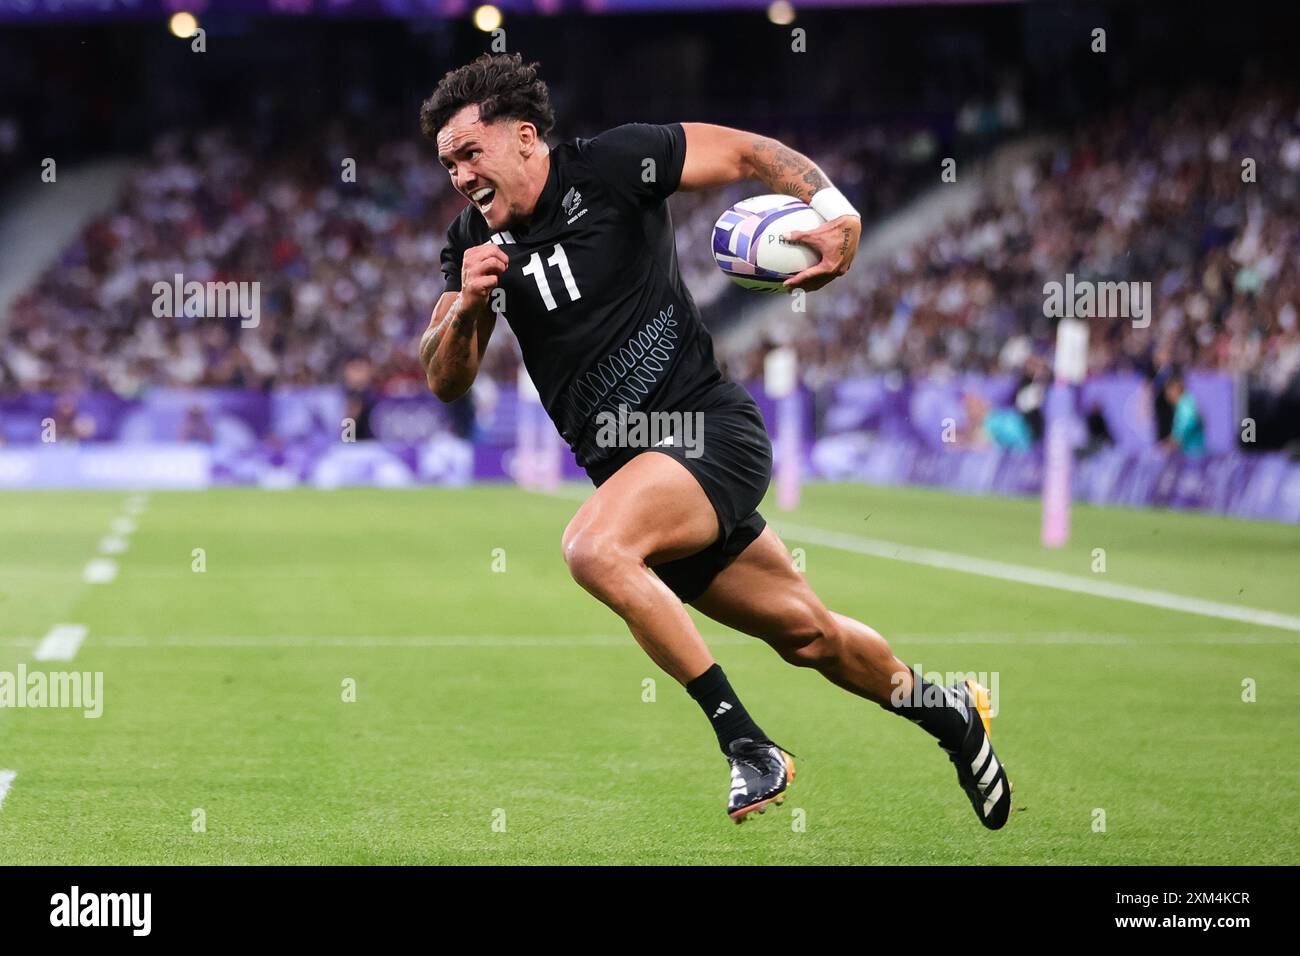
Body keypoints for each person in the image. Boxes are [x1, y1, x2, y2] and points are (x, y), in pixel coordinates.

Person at [417, 53, 1011, 828]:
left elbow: (745, 152)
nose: (460, 175)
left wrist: (836, 210)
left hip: (708, 434)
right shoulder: (471, 243)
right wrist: (466, 309)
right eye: (448, 163)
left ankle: (746, 744)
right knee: (811, 636)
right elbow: (443, 378)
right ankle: (951, 715)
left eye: (470, 153)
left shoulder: (613, 164)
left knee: (593, 550)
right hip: (641, 482)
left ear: (525, 137)